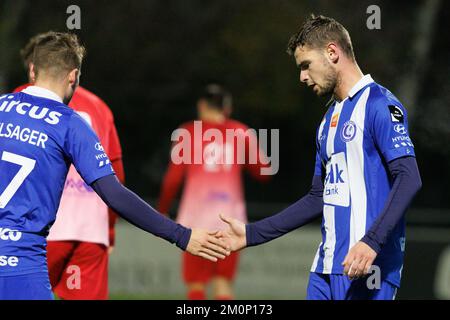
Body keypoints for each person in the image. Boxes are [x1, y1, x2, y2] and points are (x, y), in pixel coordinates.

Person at [0, 32, 228, 300]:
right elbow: (115, 193)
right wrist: (181, 235)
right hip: (21, 264)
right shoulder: (70, 124)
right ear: (73, 76)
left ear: (32, 69)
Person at [218, 15, 422, 300]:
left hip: (365, 268)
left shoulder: (380, 104)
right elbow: (318, 197)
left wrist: (372, 242)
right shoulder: (328, 120)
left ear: (332, 52)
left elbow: (409, 177)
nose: (302, 76)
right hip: (324, 269)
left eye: (306, 65)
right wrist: (252, 234)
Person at [13, 31, 125, 300]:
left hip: (40, 230)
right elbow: (115, 174)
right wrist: (109, 230)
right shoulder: (100, 107)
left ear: (33, 70)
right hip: (91, 229)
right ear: (72, 73)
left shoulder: (19, 101)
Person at [158, 84, 270, 300]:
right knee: (223, 284)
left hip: (196, 219)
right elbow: (263, 172)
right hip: (230, 220)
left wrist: (162, 209)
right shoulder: (241, 132)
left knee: (196, 284)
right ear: (227, 107)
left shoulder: (188, 132)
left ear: (201, 105)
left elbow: (173, 178)